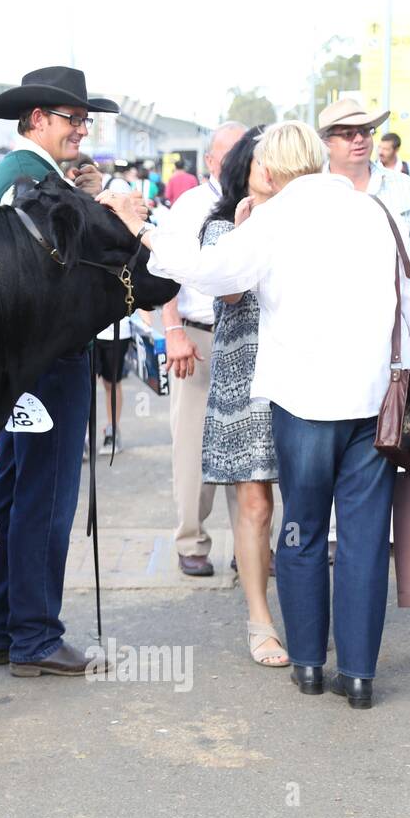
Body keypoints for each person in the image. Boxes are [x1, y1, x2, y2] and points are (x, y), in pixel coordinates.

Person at [103, 120, 410, 709]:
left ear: (275, 170)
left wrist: (142, 227)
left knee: (302, 531)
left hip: (302, 402)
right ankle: (359, 675)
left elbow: (207, 272)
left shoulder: (276, 219)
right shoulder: (376, 213)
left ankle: (308, 663)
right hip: (373, 402)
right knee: (361, 539)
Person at [0, 65, 139, 678]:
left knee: (15, 491)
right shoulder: (28, 178)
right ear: (37, 118)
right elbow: (56, 271)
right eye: (74, 119)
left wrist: (83, 195)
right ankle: (36, 636)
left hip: (21, 356)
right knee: (43, 496)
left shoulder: (27, 175)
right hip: (48, 356)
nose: (82, 129)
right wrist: (105, 210)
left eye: (84, 119)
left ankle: (4, 628)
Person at [194, 124, 286, 666]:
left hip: (301, 373)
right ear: (242, 170)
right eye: (260, 162)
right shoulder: (221, 228)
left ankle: (302, 610)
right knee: (255, 502)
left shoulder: (303, 224)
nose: (270, 172)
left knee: (306, 500)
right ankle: (260, 621)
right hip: (244, 375)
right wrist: (244, 232)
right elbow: (227, 291)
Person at [155, 121, 246, 577]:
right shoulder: (191, 206)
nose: (237, 161)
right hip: (199, 337)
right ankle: (192, 541)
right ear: (210, 160)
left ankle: (252, 546)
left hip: (250, 338)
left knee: (251, 445)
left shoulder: (262, 201)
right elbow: (165, 273)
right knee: (193, 445)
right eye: (228, 154)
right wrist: (173, 331)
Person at [320, 99, 410, 348]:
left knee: (404, 385)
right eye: (348, 134)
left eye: (365, 131)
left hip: (400, 320)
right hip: (334, 323)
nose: (359, 139)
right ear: (327, 142)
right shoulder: (313, 192)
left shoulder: (403, 186)